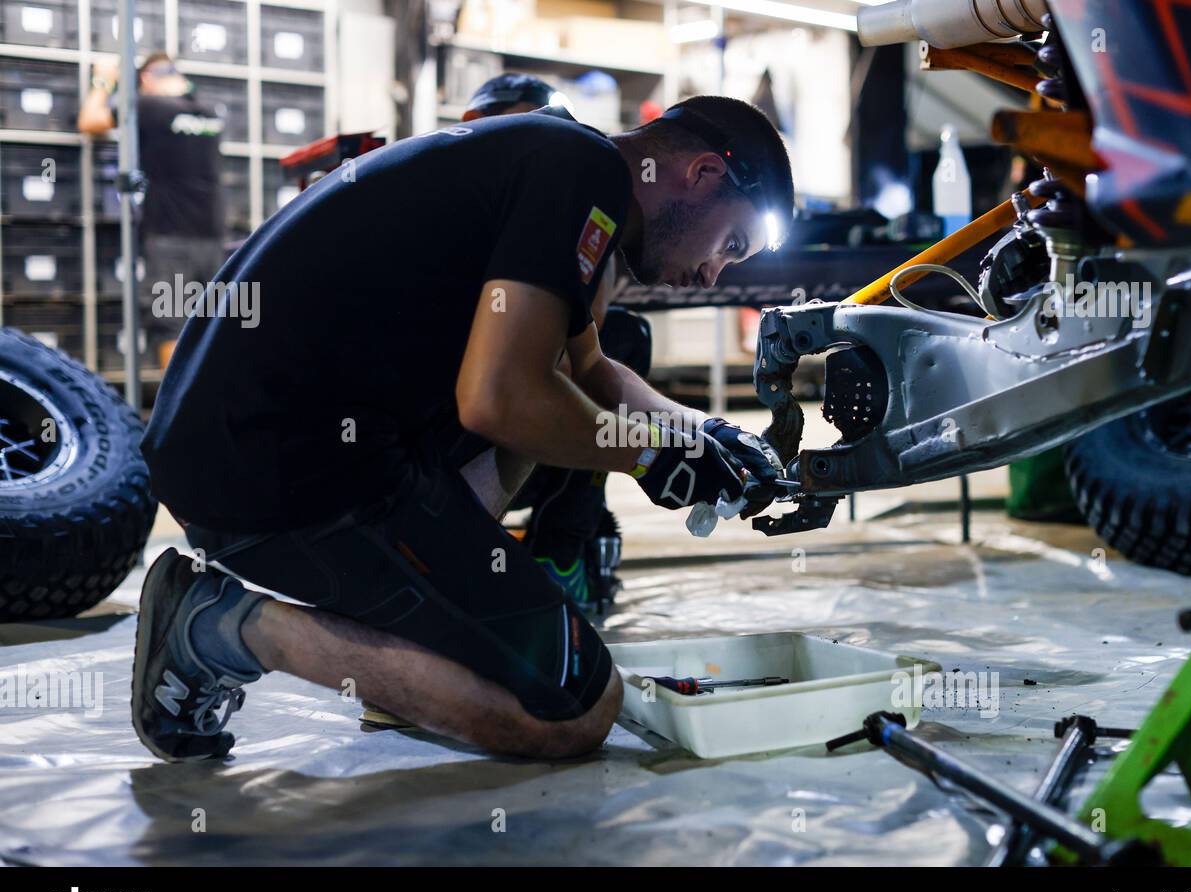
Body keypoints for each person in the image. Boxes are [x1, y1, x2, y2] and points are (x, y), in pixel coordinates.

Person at [132, 95, 794, 762]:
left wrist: (708, 435)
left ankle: (418, 629)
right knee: (574, 711)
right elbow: (498, 399)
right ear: (703, 173)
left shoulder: (564, 161)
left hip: (257, 437)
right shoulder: (583, 170)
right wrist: (651, 456)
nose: (712, 273)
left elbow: (590, 366)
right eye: (731, 245)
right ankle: (220, 625)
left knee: (555, 358)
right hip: (275, 462)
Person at [460, 72, 652, 611]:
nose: (540, 136)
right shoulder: (457, 187)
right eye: (526, 120)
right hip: (450, 402)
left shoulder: (565, 196)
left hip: (524, 418)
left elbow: (584, 335)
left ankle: (560, 552)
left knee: (621, 338)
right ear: (473, 124)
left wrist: (675, 440)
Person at [78, 52, 226, 368]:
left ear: (146, 79)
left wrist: (104, 81)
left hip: (170, 238)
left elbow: (90, 122)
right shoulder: (210, 112)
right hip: (213, 238)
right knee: (214, 328)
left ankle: (177, 415)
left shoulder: (149, 107)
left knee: (171, 326)